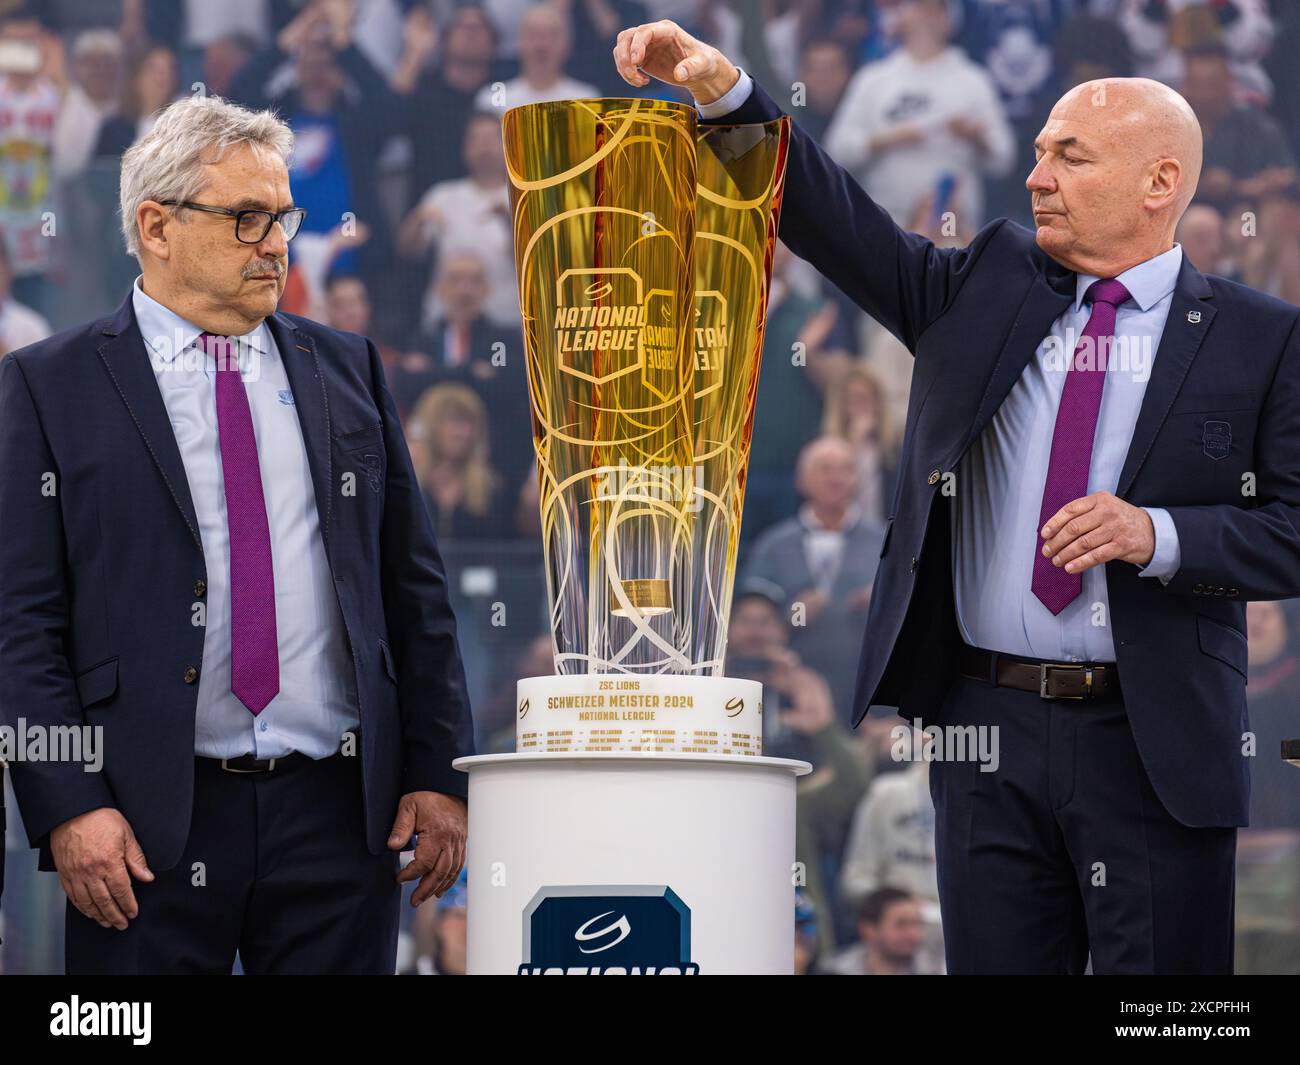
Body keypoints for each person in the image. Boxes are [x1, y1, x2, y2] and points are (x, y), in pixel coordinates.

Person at [613, 17, 1300, 974]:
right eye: (1037, 152)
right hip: (988, 733)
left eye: (1070, 156)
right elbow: (827, 215)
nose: (1036, 177)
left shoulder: (1262, 339)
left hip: (1155, 743)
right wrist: (729, 92)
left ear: (1160, 183)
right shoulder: (984, 283)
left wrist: (1159, 534)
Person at [0, 93, 474, 975]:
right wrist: (67, 804)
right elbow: (17, 627)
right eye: (248, 217)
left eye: (283, 215)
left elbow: (414, 591)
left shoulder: (348, 367)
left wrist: (438, 771)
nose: (276, 243)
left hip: (339, 819)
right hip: (137, 828)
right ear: (156, 226)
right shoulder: (44, 385)